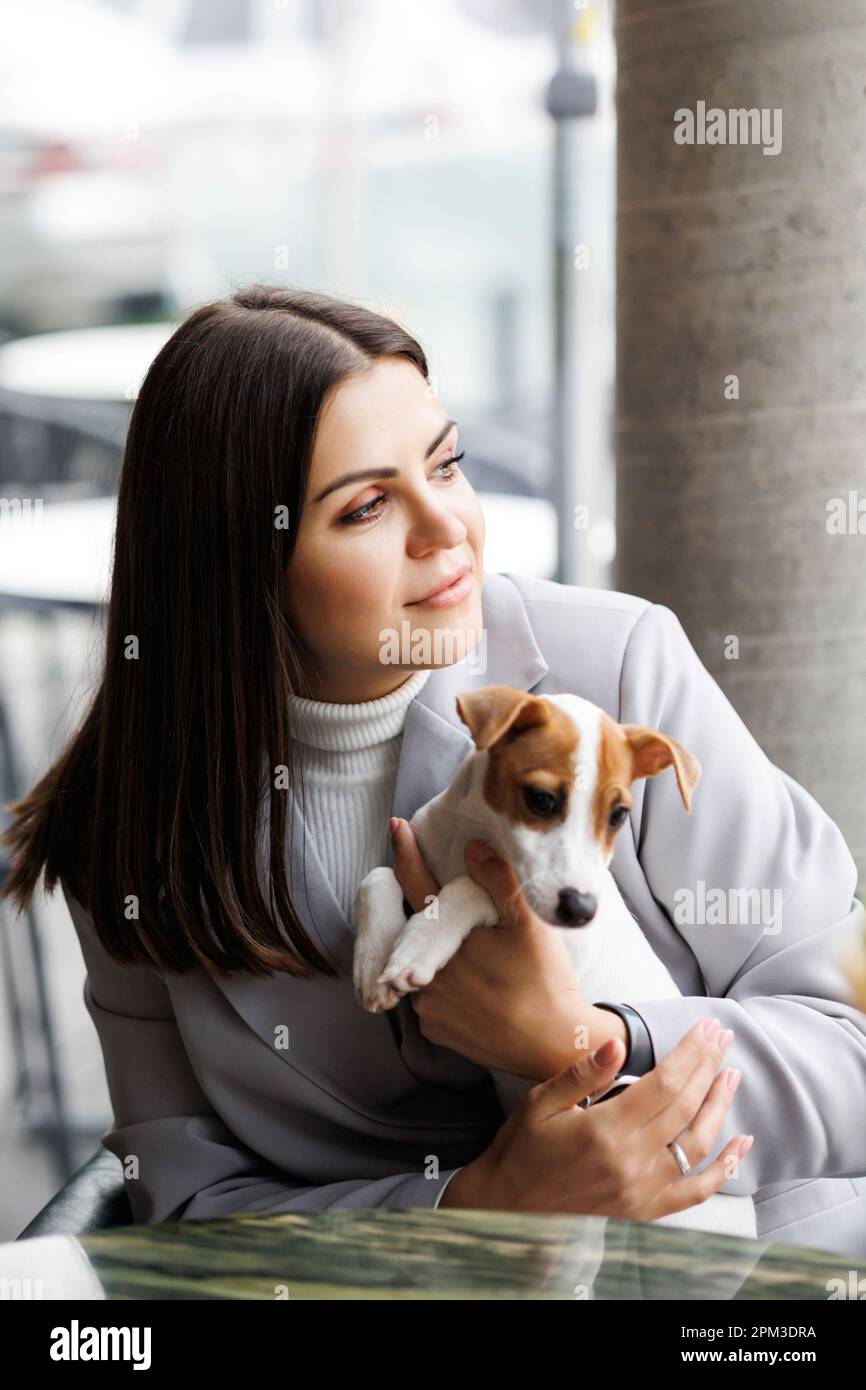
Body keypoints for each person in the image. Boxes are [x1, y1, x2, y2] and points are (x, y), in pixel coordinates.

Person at [3, 285, 865, 1254]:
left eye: (444, 463)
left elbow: (850, 1045)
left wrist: (589, 1039)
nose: (446, 525)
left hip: (754, 1281)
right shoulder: (126, 826)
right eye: (367, 505)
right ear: (237, 559)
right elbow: (190, 1208)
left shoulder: (614, 667)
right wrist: (477, 1203)